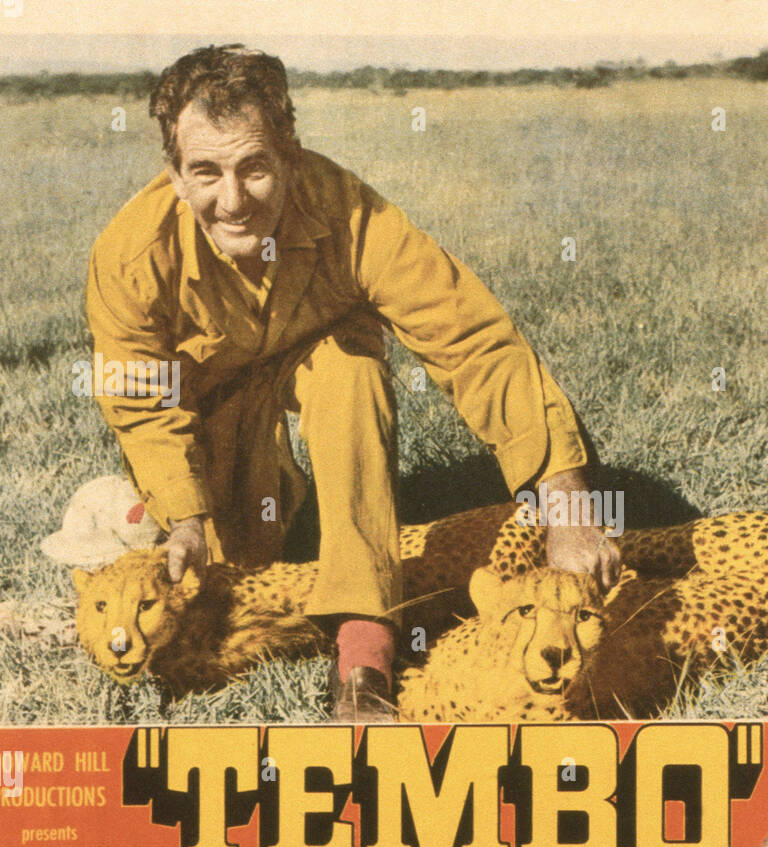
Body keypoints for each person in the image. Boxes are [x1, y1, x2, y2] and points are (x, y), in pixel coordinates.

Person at [84, 45, 620, 721]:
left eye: (255, 167)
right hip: (209, 404)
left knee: (350, 371)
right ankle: (179, 513)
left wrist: (568, 507)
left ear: (291, 154)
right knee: (229, 576)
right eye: (206, 172)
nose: (233, 200)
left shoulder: (351, 214)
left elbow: (475, 341)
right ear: (175, 174)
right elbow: (140, 402)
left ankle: (364, 659)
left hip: (321, 367)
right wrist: (185, 518)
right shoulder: (130, 255)